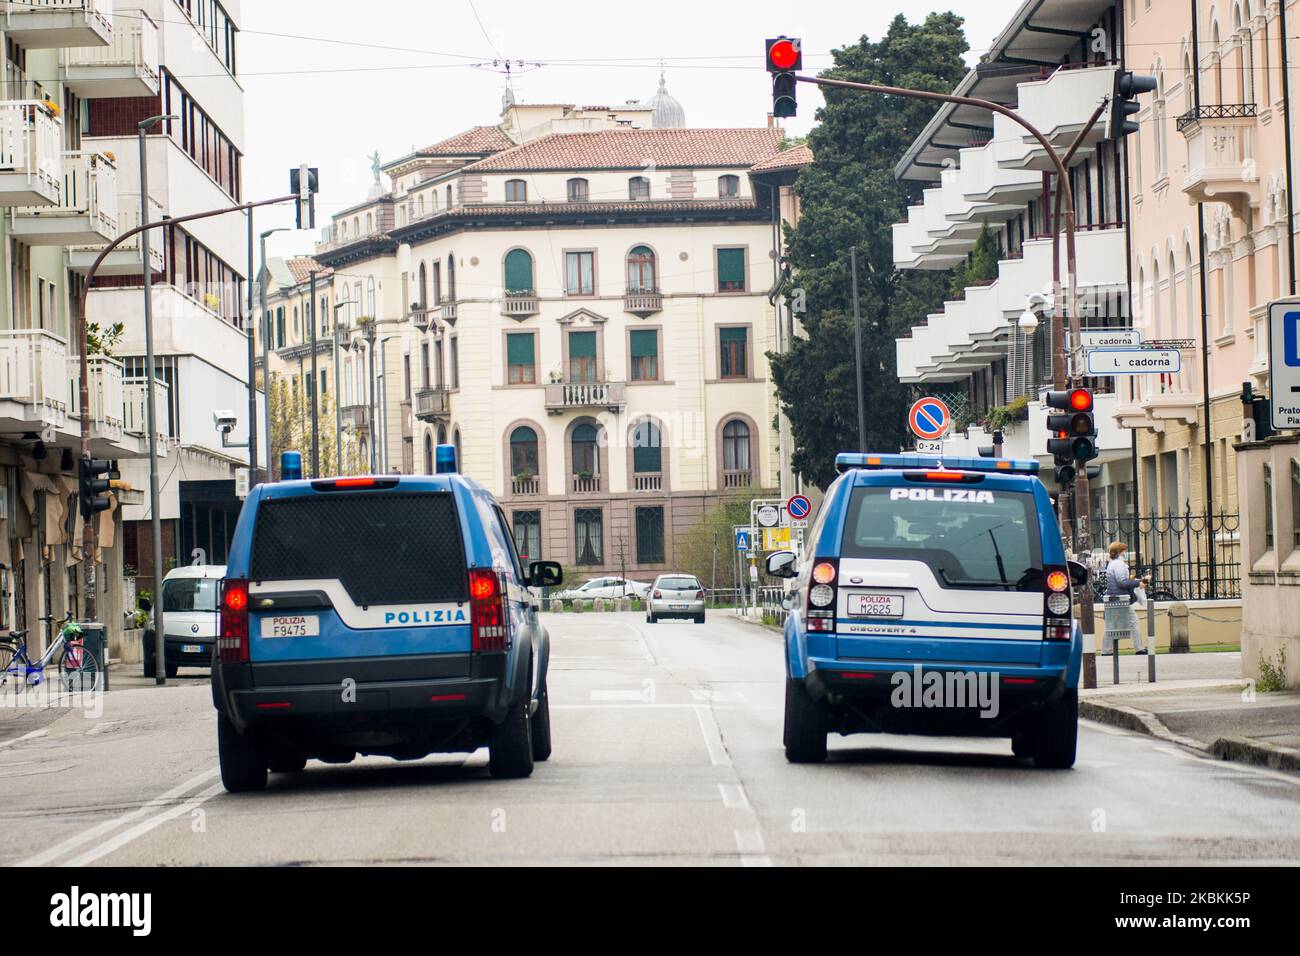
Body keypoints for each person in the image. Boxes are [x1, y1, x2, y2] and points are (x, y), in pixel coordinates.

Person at [1103, 541, 1148, 654]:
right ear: (1120, 552)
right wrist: (1138, 583)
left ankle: (1106, 650)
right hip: (1120, 599)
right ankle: (1139, 648)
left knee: (1110, 624)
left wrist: (1134, 581)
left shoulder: (1112, 563)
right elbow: (1122, 582)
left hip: (1113, 597)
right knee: (1133, 621)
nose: (1126, 552)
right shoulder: (1119, 564)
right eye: (1124, 550)